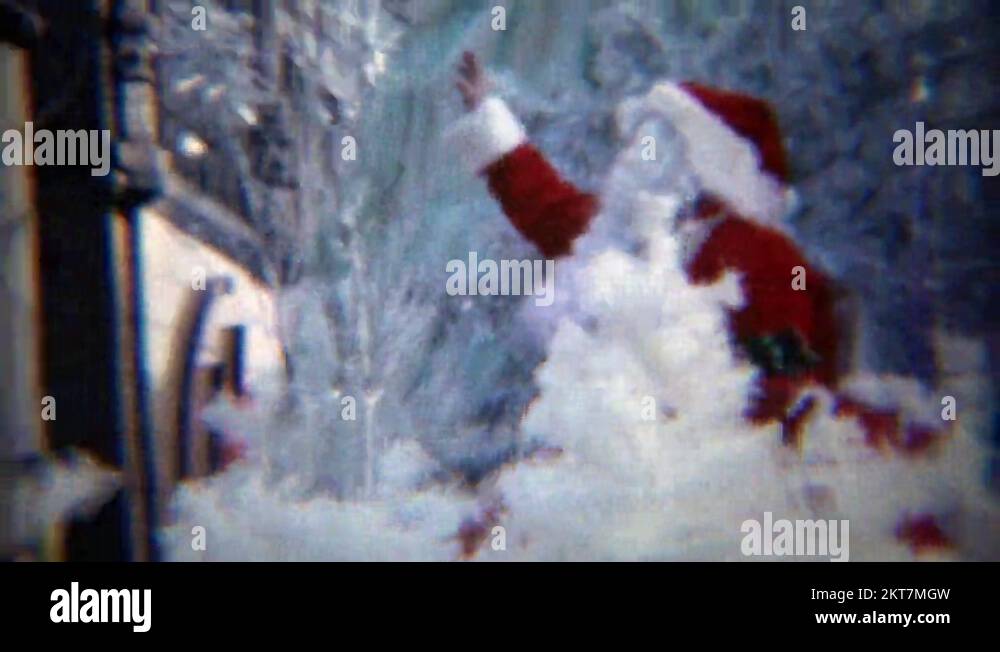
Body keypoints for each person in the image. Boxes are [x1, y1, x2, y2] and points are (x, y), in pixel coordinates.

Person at [451, 52, 945, 453]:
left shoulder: (761, 256)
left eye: (657, 144)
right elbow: (552, 211)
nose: (636, 160)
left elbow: (788, 382)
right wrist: (488, 119)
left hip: (735, 465)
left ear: (704, 162)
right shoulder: (639, 231)